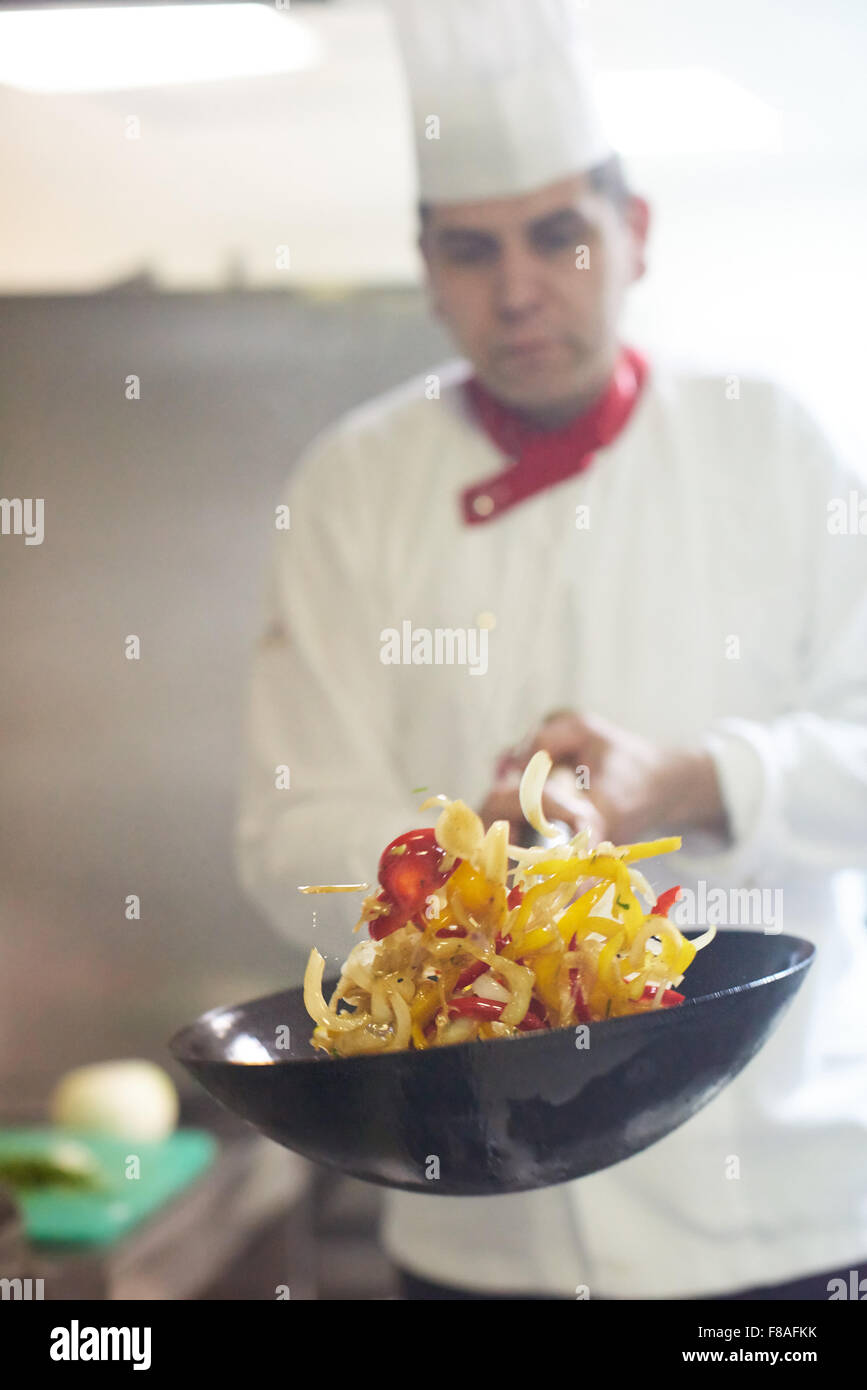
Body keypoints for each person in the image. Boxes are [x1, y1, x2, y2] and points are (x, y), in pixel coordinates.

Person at [235, 0, 867, 1299]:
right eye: (472, 249)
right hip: (474, 1222)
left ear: (634, 234)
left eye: (558, 236)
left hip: (779, 1212)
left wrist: (692, 778)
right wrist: (455, 864)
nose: (517, 287)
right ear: (425, 263)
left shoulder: (775, 442)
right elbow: (284, 828)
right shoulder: (355, 482)